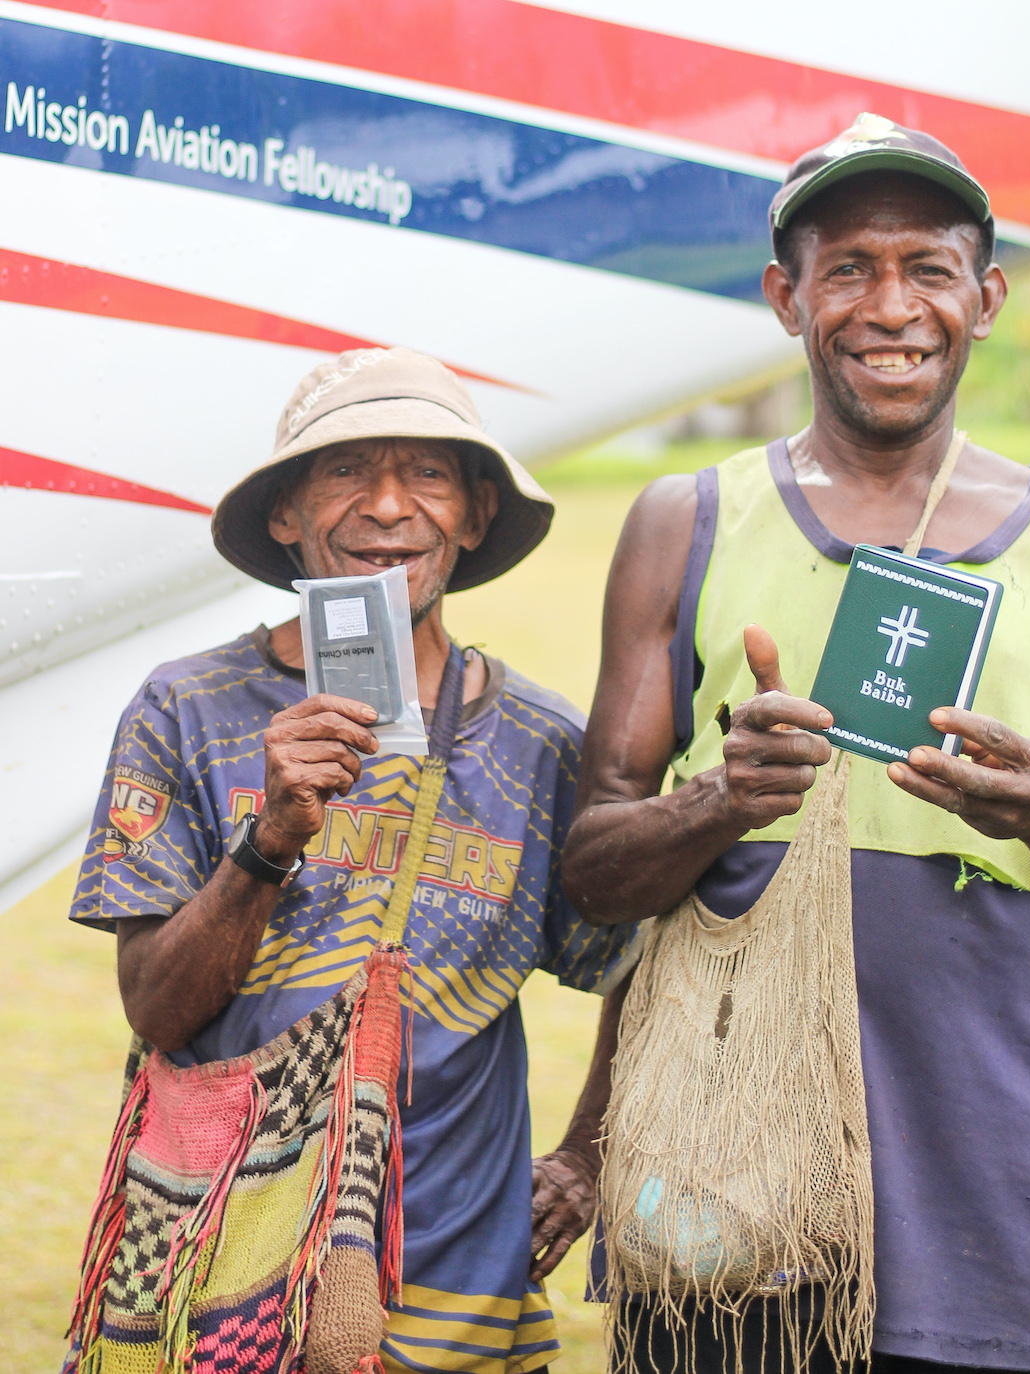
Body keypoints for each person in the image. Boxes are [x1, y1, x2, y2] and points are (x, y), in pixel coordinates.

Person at [561, 116, 1030, 1374]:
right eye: (847, 268)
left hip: (993, 1167)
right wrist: (719, 801)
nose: (890, 306)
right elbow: (594, 869)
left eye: (928, 269)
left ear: (985, 299)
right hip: (729, 1165)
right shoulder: (686, 522)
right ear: (786, 297)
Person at [70, 347, 636, 1374]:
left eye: (427, 473)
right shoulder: (188, 710)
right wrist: (269, 842)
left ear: (475, 514)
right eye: (344, 471)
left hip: (453, 1258)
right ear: (287, 513)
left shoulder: (541, 744)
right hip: (214, 1249)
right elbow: (156, 1008)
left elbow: (638, 961)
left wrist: (587, 1155)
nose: (386, 505)